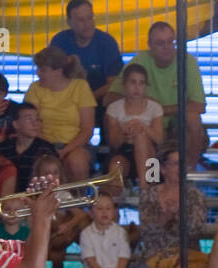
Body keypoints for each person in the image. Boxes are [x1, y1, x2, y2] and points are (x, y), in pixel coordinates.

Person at [106, 22, 206, 169]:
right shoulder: (140, 61)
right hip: (134, 136)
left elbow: (199, 106)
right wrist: (134, 122)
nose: (166, 47)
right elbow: (109, 99)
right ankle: (148, 183)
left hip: (167, 126)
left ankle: (187, 171)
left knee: (192, 118)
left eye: (170, 42)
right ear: (149, 45)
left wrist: (156, 109)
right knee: (122, 158)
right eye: (160, 43)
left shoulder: (188, 61)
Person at [25, 46, 97, 181]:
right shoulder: (35, 88)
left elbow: (87, 129)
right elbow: (31, 123)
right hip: (43, 143)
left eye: (43, 70)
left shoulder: (80, 87)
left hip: (76, 145)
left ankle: (78, 200)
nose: (38, 73)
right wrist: (50, 149)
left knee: (77, 162)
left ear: (58, 71)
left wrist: (64, 151)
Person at [50, 0, 123, 111]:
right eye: (81, 20)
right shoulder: (59, 41)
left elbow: (113, 83)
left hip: (99, 100)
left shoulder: (107, 42)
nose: (88, 24)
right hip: (66, 100)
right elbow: (51, 77)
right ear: (69, 22)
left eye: (90, 18)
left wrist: (86, 100)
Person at [104, 63, 165, 185]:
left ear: (146, 86)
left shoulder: (155, 108)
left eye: (141, 83)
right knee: (115, 167)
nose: (137, 87)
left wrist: (142, 126)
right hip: (124, 151)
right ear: (124, 84)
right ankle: (114, 199)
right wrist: (124, 132)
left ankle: (144, 186)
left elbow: (159, 139)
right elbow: (113, 143)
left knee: (141, 136)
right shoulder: (114, 108)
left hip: (150, 155)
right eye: (133, 82)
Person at [0, 104, 58, 195]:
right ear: (16, 124)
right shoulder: (3, 148)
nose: (35, 123)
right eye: (29, 119)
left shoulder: (46, 149)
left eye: (37, 119)